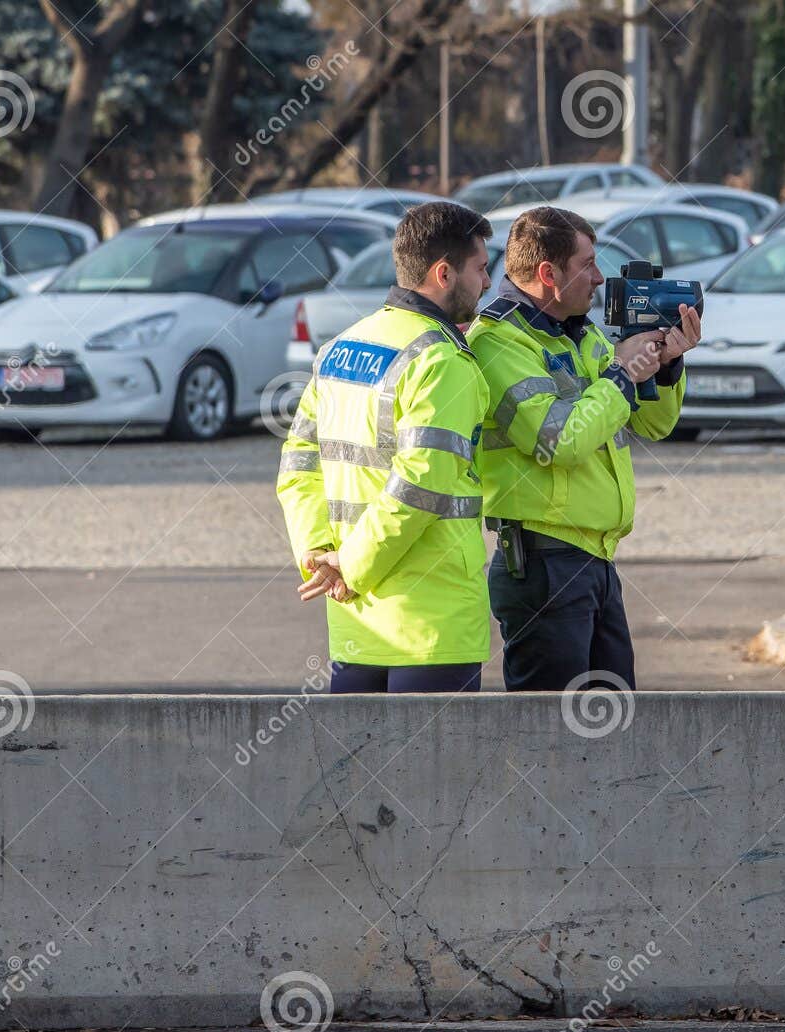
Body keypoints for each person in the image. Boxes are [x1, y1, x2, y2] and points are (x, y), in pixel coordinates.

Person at [469, 206, 701, 692]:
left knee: (613, 724)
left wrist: (666, 367)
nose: (600, 278)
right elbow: (560, 442)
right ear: (548, 274)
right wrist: (621, 375)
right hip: (545, 563)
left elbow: (653, 426)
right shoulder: (499, 341)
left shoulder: (583, 333)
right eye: (588, 264)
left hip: (593, 558)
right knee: (551, 737)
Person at [275, 201, 494, 693]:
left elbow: (298, 467)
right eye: (480, 269)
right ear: (444, 273)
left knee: (357, 768)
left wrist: (319, 557)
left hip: (355, 624)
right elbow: (421, 485)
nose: (486, 283)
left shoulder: (340, 348)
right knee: (436, 771)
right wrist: (348, 568)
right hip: (432, 625)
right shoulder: (442, 362)